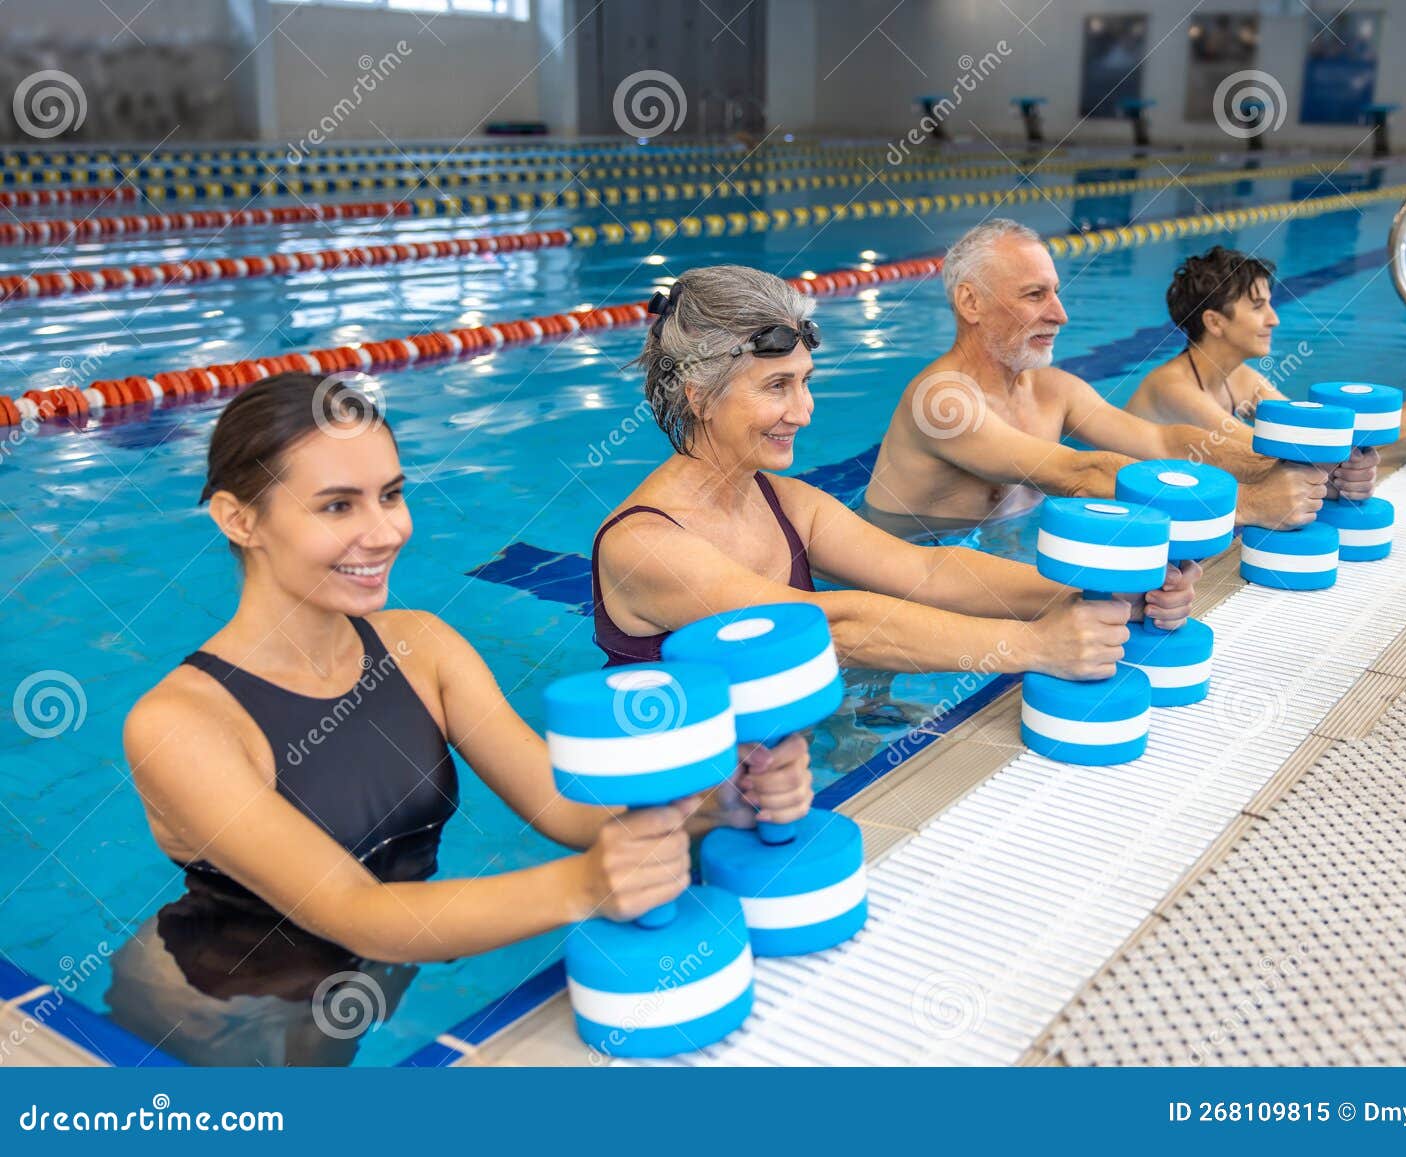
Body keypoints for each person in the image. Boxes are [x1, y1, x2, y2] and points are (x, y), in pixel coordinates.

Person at [113, 373, 810, 1065]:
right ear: (240, 519)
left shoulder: (423, 648)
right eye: (336, 506)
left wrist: (724, 798)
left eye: (391, 494)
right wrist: (586, 886)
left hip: (383, 967)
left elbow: (564, 805)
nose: (385, 531)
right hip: (220, 1017)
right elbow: (357, 910)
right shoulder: (181, 723)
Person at [590, 265, 1196, 683]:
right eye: (777, 387)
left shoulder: (785, 501)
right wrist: (1035, 647)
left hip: (775, 769)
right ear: (699, 395)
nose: (803, 412)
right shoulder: (645, 546)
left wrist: (1111, 596)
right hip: (677, 813)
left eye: (805, 383)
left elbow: (927, 571)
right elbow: (834, 628)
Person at [861, 220, 1343, 539]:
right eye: (1035, 295)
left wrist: (1293, 468)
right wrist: (1248, 503)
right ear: (971, 304)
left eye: (1056, 293)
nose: (1061, 314)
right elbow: (1079, 474)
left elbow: (1164, 441)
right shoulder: (942, 402)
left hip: (1004, 555)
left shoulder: (1053, 389)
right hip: (914, 576)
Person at [1125, 245, 1406, 453]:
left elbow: (1312, 427)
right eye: (1257, 307)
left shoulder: (1241, 380)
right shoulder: (1174, 390)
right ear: (1215, 322)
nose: (1274, 320)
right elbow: (1275, 451)